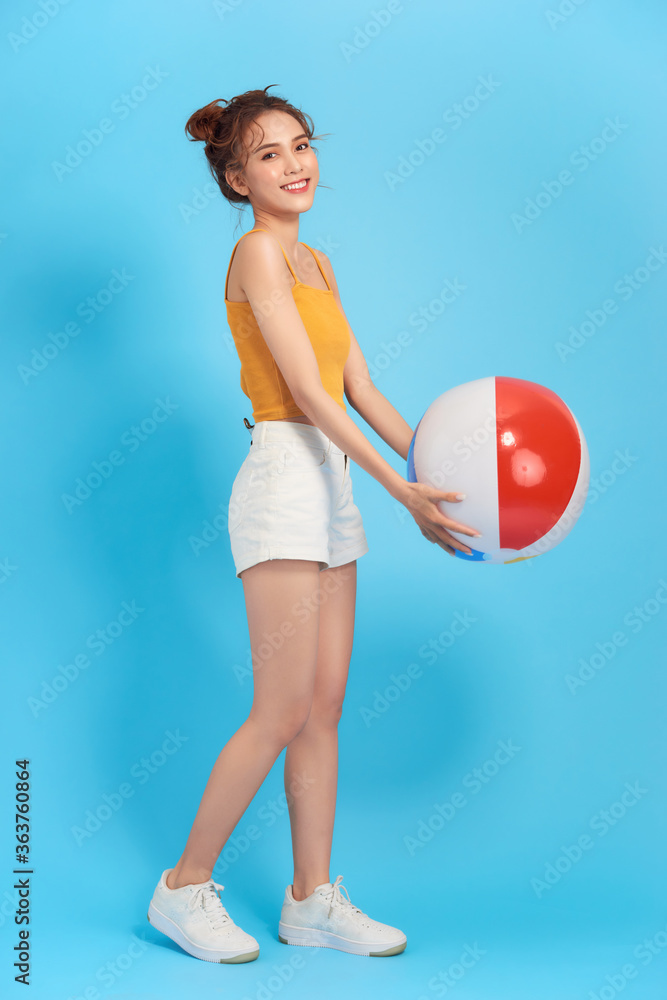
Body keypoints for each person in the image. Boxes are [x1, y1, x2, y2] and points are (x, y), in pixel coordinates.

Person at [147, 85, 480, 965]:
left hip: (330, 480)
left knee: (324, 707)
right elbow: (303, 392)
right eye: (268, 154)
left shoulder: (317, 263)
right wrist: (401, 493)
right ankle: (181, 887)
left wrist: (444, 479)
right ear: (236, 179)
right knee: (281, 707)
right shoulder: (256, 252)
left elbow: (358, 387)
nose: (294, 164)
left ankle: (310, 901)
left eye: (301, 145)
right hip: (282, 482)